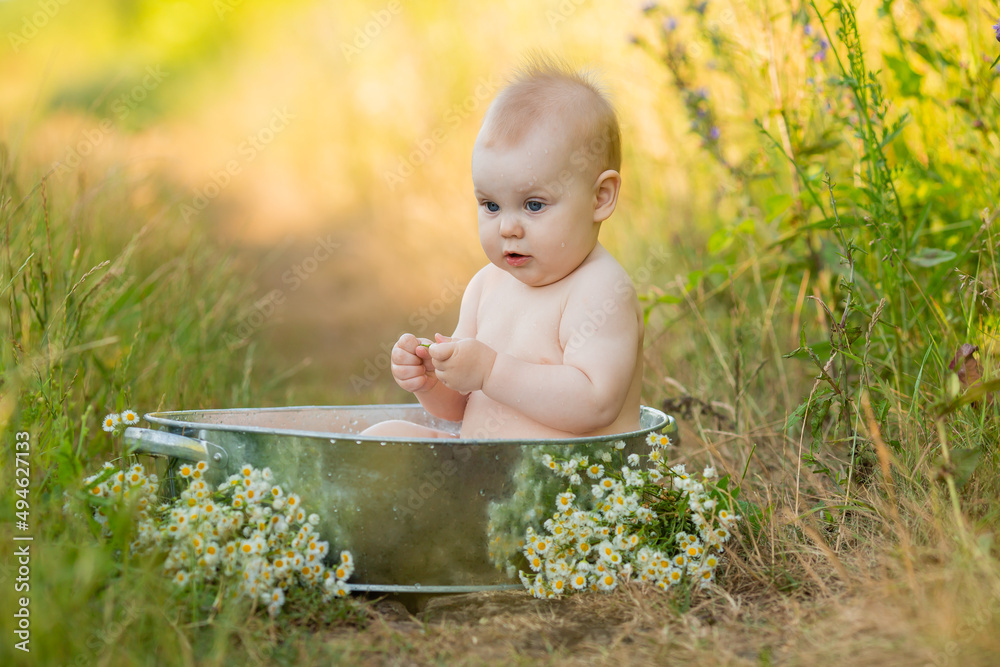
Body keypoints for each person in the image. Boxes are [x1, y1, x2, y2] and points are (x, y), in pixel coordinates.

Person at [363, 58, 643, 440]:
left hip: (566, 485)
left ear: (600, 198)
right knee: (387, 436)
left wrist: (491, 371)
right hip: (485, 472)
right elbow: (458, 408)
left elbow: (596, 403)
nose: (508, 227)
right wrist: (432, 380)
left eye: (533, 205)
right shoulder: (486, 286)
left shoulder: (600, 290)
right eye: (491, 206)